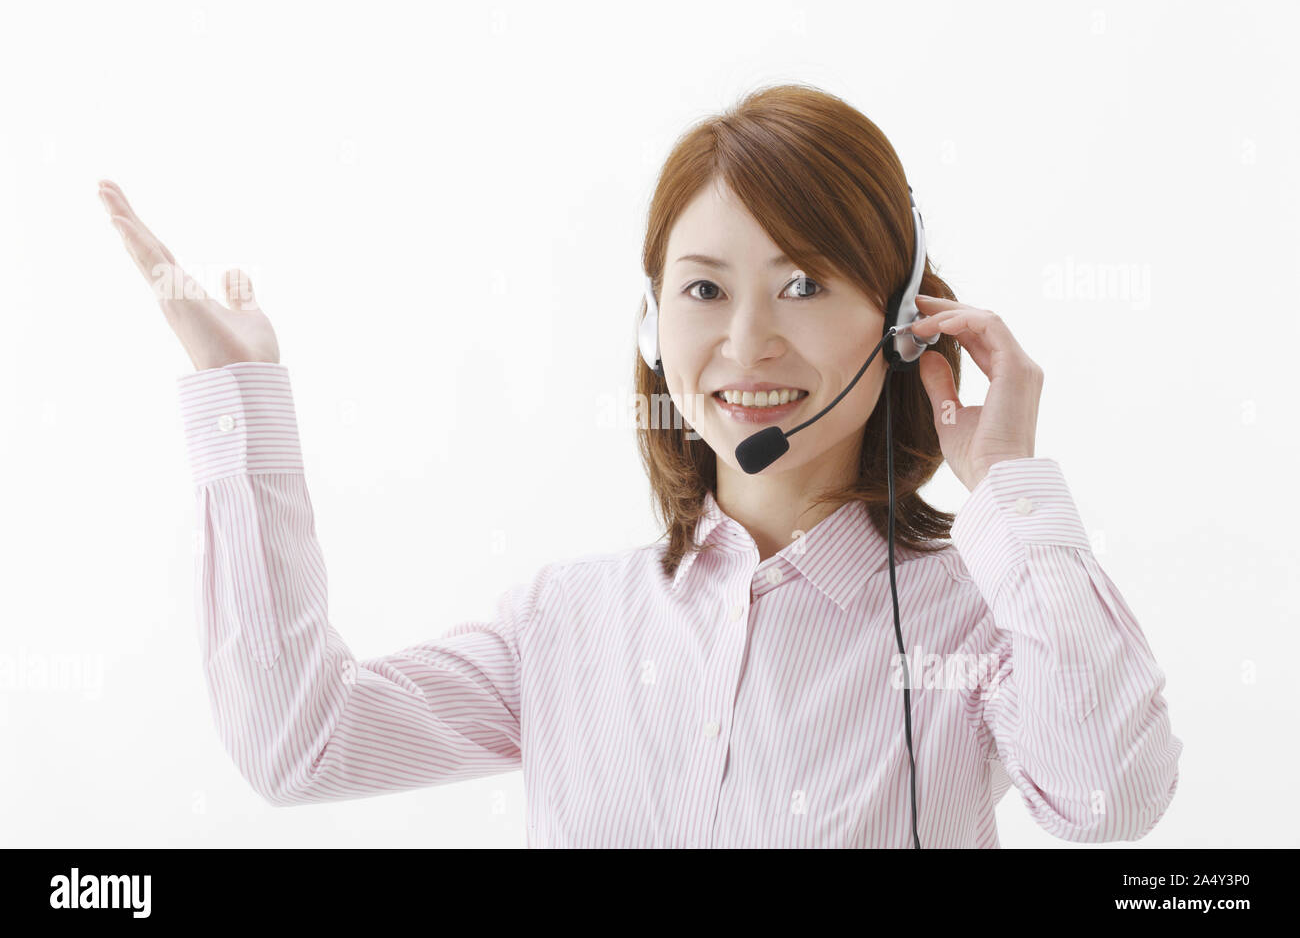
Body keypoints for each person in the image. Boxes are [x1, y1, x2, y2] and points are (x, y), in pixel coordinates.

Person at [99, 83, 1182, 848]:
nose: (747, 341)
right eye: (704, 288)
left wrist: (1008, 491)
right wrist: (238, 398)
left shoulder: (979, 620)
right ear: (654, 325)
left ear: (905, 319)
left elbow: (1111, 796)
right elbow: (300, 746)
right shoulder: (564, 622)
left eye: (803, 283)